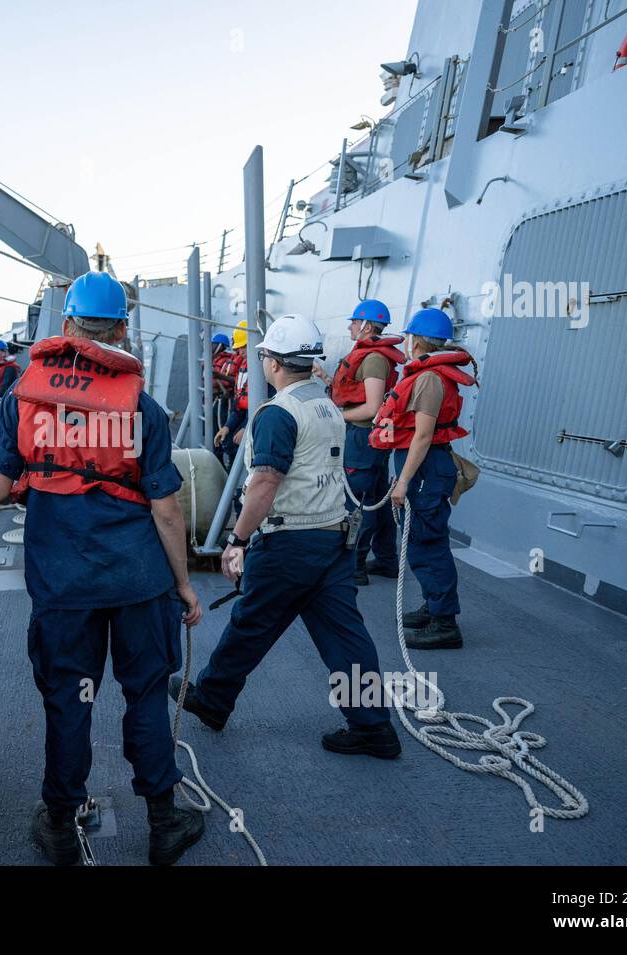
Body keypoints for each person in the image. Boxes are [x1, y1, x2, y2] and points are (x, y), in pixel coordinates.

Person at [0, 271, 207, 866]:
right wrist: (183, 584)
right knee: (145, 697)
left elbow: (1, 488)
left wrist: (45, 480)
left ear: (66, 326)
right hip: (138, 581)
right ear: (122, 329)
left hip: (64, 584)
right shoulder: (143, 407)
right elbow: (166, 508)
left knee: (68, 700)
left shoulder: (21, 400)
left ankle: (59, 823)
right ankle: (164, 821)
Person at [171, 314, 401, 759]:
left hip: (290, 543)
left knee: (251, 622)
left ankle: (213, 700)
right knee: (346, 636)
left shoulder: (279, 413)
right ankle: (374, 727)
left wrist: (236, 540)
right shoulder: (327, 404)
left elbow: (264, 483)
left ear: (273, 362)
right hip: (333, 541)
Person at [370, 307, 477, 650]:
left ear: (416, 342)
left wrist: (402, 482)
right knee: (420, 542)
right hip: (424, 469)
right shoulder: (429, 376)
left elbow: (423, 436)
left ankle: (445, 623)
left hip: (425, 471)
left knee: (428, 545)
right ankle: (434, 608)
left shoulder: (429, 380)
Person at [313, 300, 404, 586]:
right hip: (370, 439)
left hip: (363, 439)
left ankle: (355, 565)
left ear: (365, 325)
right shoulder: (370, 357)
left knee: (358, 502)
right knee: (377, 499)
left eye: (354, 322)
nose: (350, 326)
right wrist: (325, 377)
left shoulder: (374, 359)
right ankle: (387, 559)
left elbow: (373, 408)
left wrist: (338, 415)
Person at [213, 320, 249, 467]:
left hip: (252, 420)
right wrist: (227, 427)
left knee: (234, 444)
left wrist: (245, 429)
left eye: (242, 347)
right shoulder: (245, 366)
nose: (238, 352)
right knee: (227, 441)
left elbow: (263, 404)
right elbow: (241, 404)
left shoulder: (263, 370)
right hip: (241, 413)